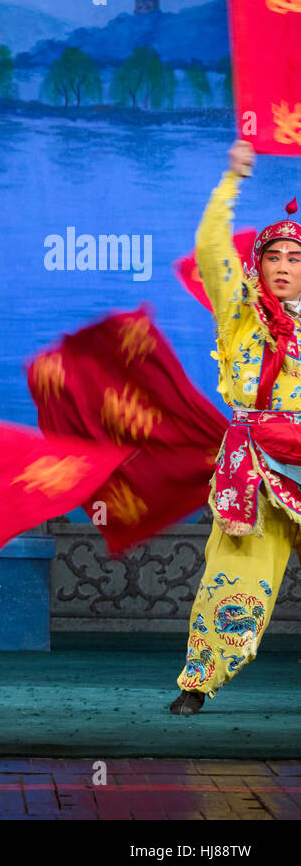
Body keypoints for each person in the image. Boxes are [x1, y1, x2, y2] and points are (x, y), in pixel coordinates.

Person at [172, 139, 301, 714]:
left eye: (295, 259)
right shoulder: (241, 315)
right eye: (274, 257)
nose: (283, 268)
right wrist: (231, 178)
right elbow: (209, 247)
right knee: (235, 581)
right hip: (260, 466)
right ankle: (199, 682)